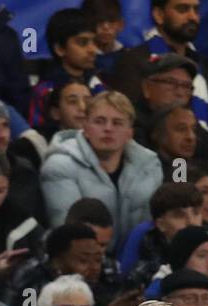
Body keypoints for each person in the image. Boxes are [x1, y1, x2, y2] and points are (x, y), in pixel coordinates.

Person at [41, 91, 162, 250]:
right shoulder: (59, 165)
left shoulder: (154, 164)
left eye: (117, 123)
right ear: (85, 127)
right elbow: (69, 235)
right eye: (99, 121)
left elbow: (160, 222)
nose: (108, 129)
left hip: (139, 259)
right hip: (84, 259)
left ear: (130, 133)